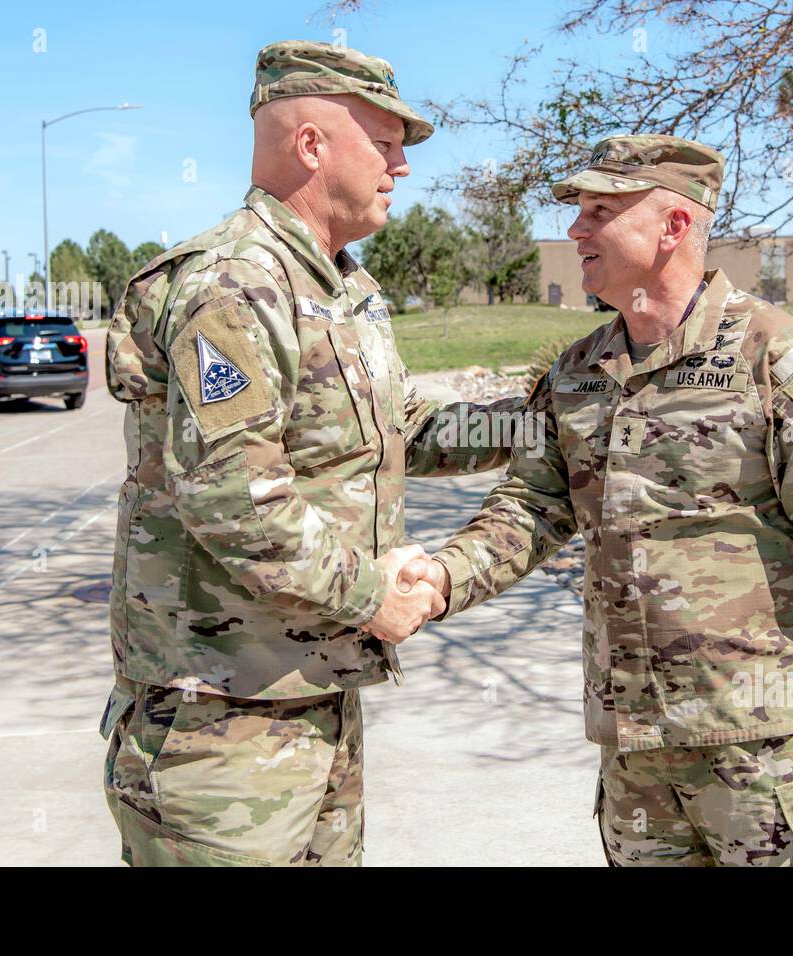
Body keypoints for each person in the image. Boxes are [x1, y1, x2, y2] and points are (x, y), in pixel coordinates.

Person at [398, 134, 793, 866]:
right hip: (633, 748)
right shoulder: (580, 370)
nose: (575, 230)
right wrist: (445, 576)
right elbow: (533, 506)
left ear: (674, 226)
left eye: (599, 211)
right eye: (577, 212)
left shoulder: (774, 355)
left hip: (764, 751)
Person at [99, 39, 521, 866]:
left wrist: (533, 425)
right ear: (312, 145)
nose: (401, 166)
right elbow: (232, 496)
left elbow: (396, 427)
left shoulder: (343, 288)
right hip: (218, 724)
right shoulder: (233, 284)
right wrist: (372, 598)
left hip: (315, 695)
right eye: (386, 143)